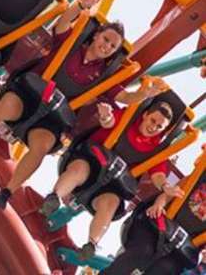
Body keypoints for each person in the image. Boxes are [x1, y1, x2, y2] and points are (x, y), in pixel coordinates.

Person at [0, 0, 160, 209]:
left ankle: (7, 191)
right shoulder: (71, 42)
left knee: (42, 146)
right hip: (28, 96)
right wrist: (82, 6)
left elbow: (125, 97)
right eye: (106, 39)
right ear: (96, 35)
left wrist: (143, 94)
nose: (107, 46)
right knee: (6, 107)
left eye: (113, 46)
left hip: (51, 119)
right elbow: (64, 22)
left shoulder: (103, 75)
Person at [42, 100, 182, 261]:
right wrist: (106, 115)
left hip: (111, 187)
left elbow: (158, 174)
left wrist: (165, 186)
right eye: (153, 121)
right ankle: (53, 198)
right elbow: (109, 121)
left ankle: (91, 244)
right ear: (145, 115)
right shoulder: (128, 117)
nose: (153, 128)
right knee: (78, 170)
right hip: (90, 163)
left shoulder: (156, 148)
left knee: (111, 204)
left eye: (159, 127)